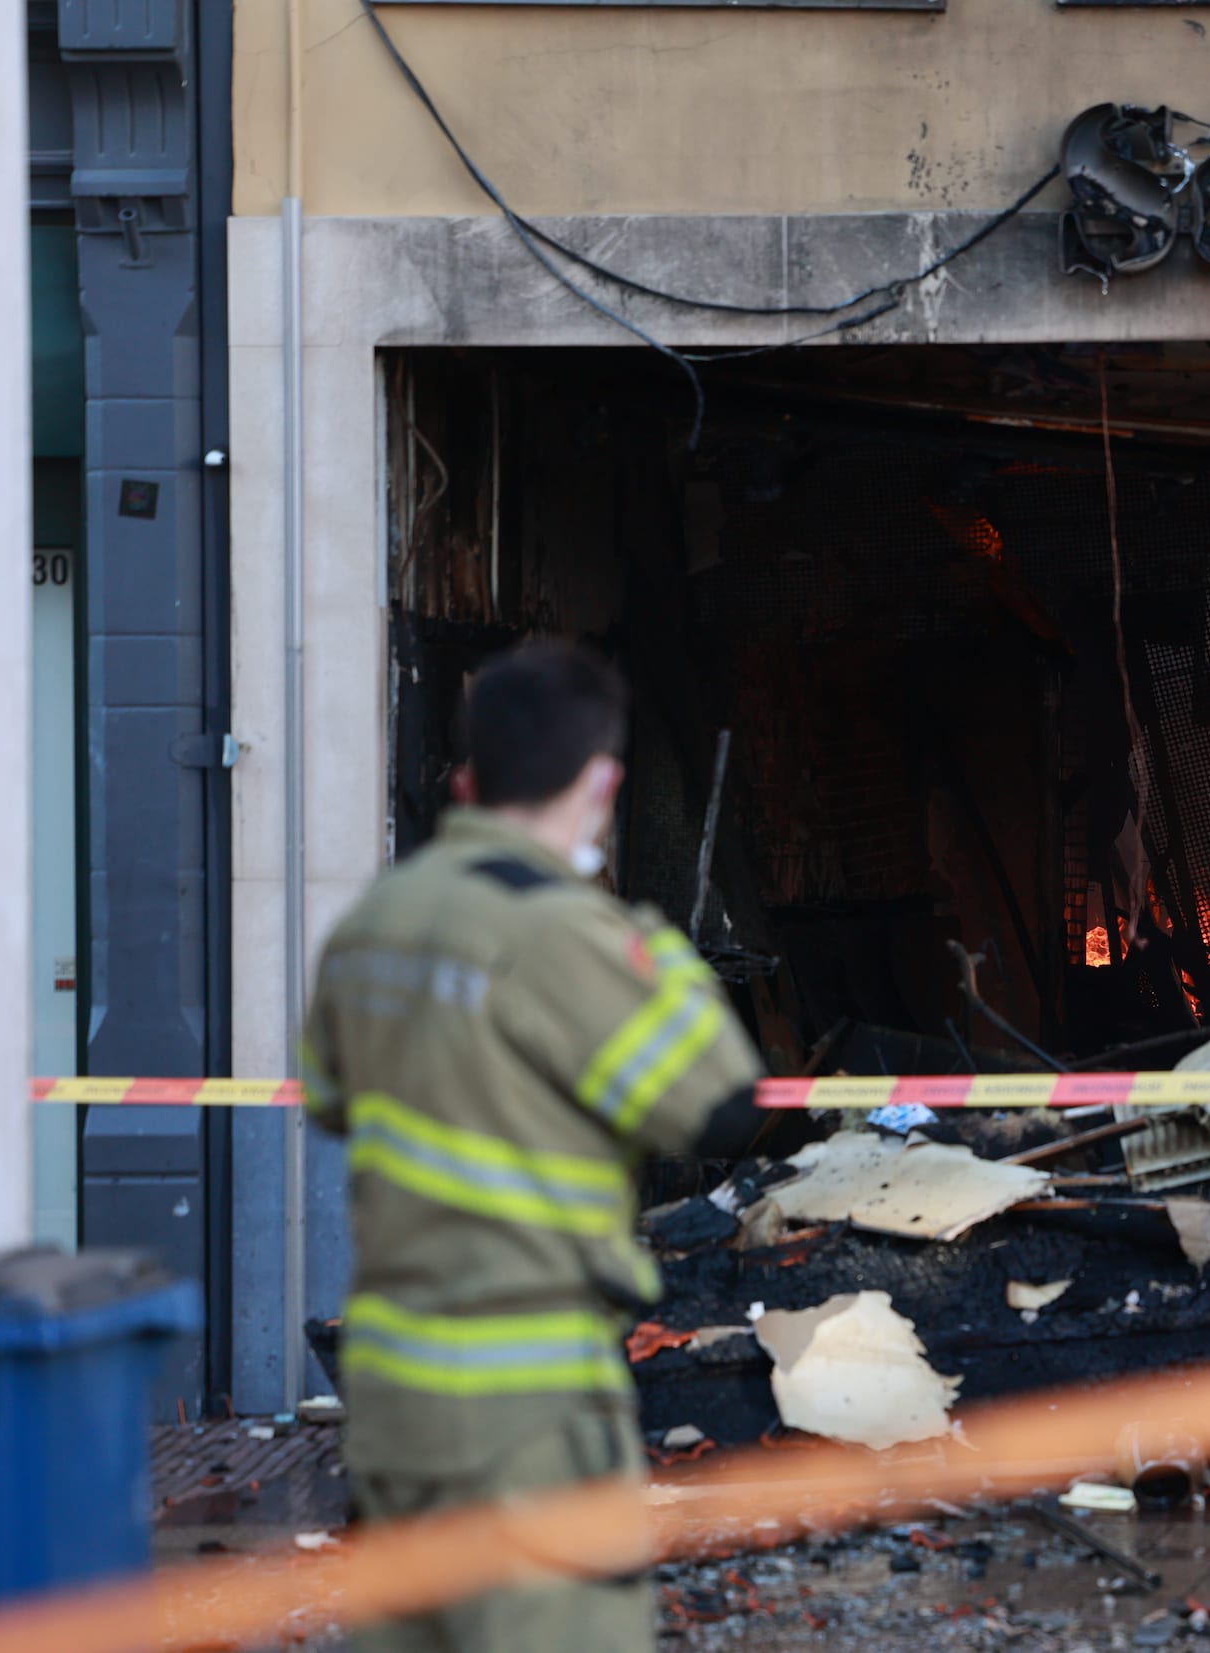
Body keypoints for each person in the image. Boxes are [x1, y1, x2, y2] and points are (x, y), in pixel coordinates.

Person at [301, 640, 766, 1653]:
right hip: (521, 1407)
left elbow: (331, 1103)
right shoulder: (564, 934)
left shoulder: (374, 924)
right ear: (601, 782)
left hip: (389, 1397)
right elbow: (722, 1107)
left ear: (465, 780)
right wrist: (655, 951)